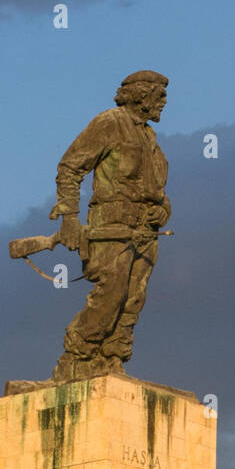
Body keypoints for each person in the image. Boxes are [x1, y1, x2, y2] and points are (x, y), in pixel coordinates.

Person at [50, 71, 171, 382]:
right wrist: (69, 218)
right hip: (111, 225)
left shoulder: (149, 138)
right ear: (142, 96)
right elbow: (70, 167)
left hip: (146, 231)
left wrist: (163, 211)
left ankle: (112, 359)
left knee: (133, 298)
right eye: (159, 96)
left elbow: (156, 191)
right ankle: (76, 358)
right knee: (110, 294)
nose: (164, 102)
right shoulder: (109, 122)